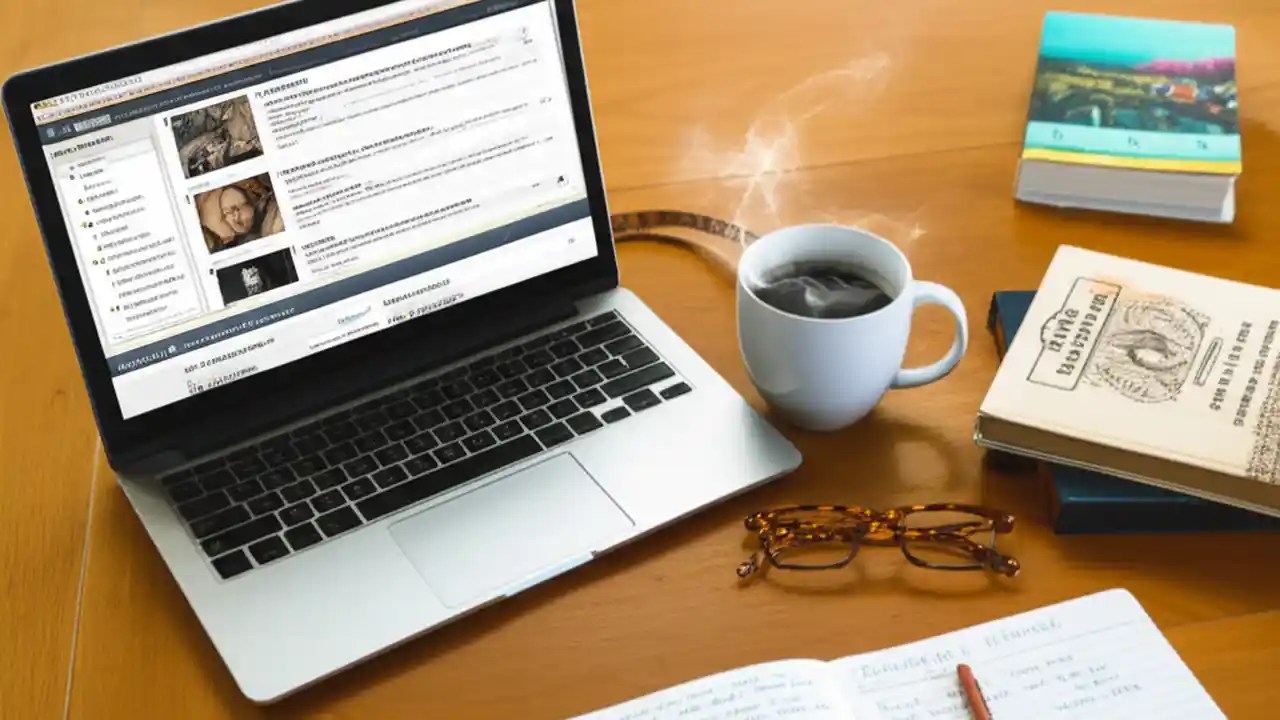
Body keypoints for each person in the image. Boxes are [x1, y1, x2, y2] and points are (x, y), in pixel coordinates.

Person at [216, 184, 284, 251]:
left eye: (237, 209)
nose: (235, 217)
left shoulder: (273, 219)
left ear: (252, 203)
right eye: (227, 213)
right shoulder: (232, 245)